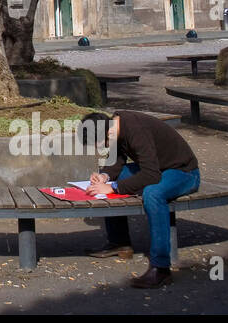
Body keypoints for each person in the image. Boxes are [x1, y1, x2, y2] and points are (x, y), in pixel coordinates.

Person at [80, 111, 200, 288]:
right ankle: (119, 242)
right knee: (116, 177)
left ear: (106, 134)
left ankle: (161, 269)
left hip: (183, 172)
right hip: (159, 168)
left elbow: (151, 175)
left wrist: (113, 187)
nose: (101, 148)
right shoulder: (114, 126)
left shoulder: (136, 130)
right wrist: (104, 177)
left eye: (99, 144)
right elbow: (117, 163)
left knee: (153, 193)